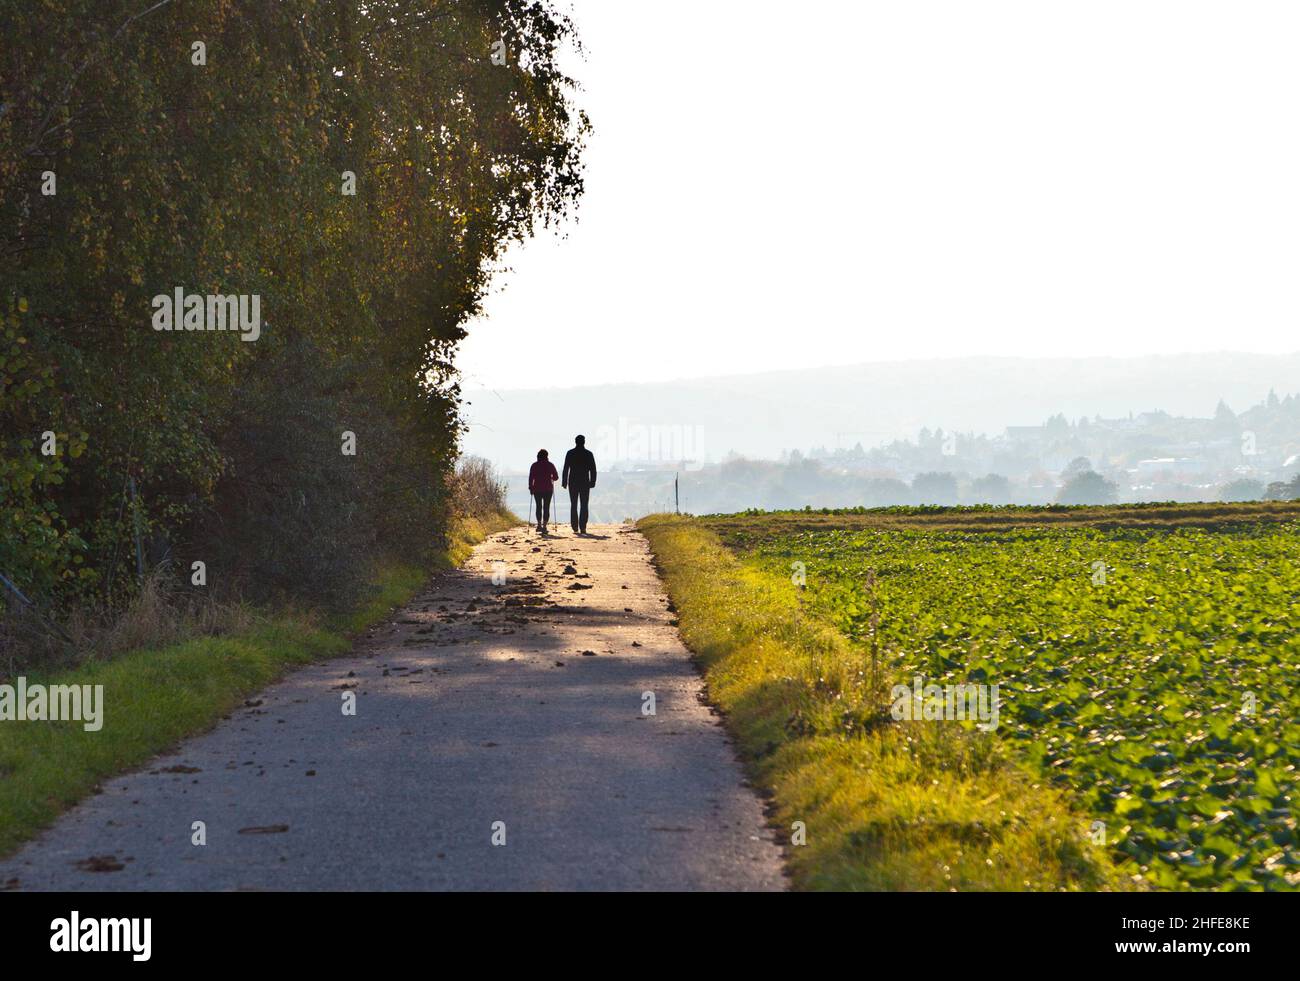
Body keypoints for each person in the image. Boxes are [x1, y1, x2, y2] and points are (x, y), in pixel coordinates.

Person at [561, 434, 597, 534]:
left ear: (575, 442)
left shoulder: (570, 453)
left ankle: (575, 527)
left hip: (573, 482)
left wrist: (564, 481)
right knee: (584, 504)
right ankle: (583, 527)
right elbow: (593, 469)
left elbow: (566, 468)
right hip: (585, 482)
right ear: (584, 442)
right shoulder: (589, 454)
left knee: (573, 504)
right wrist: (593, 481)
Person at [528, 449, 559, 533]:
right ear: (547, 456)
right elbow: (556, 477)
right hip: (548, 489)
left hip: (537, 489)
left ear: (538, 456)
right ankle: (544, 526)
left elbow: (531, 478)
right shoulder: (550, 465)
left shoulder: (534, 465)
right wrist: (551, 477)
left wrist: (530, 488)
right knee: (546, 507)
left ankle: (538, 525)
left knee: (538, 506)